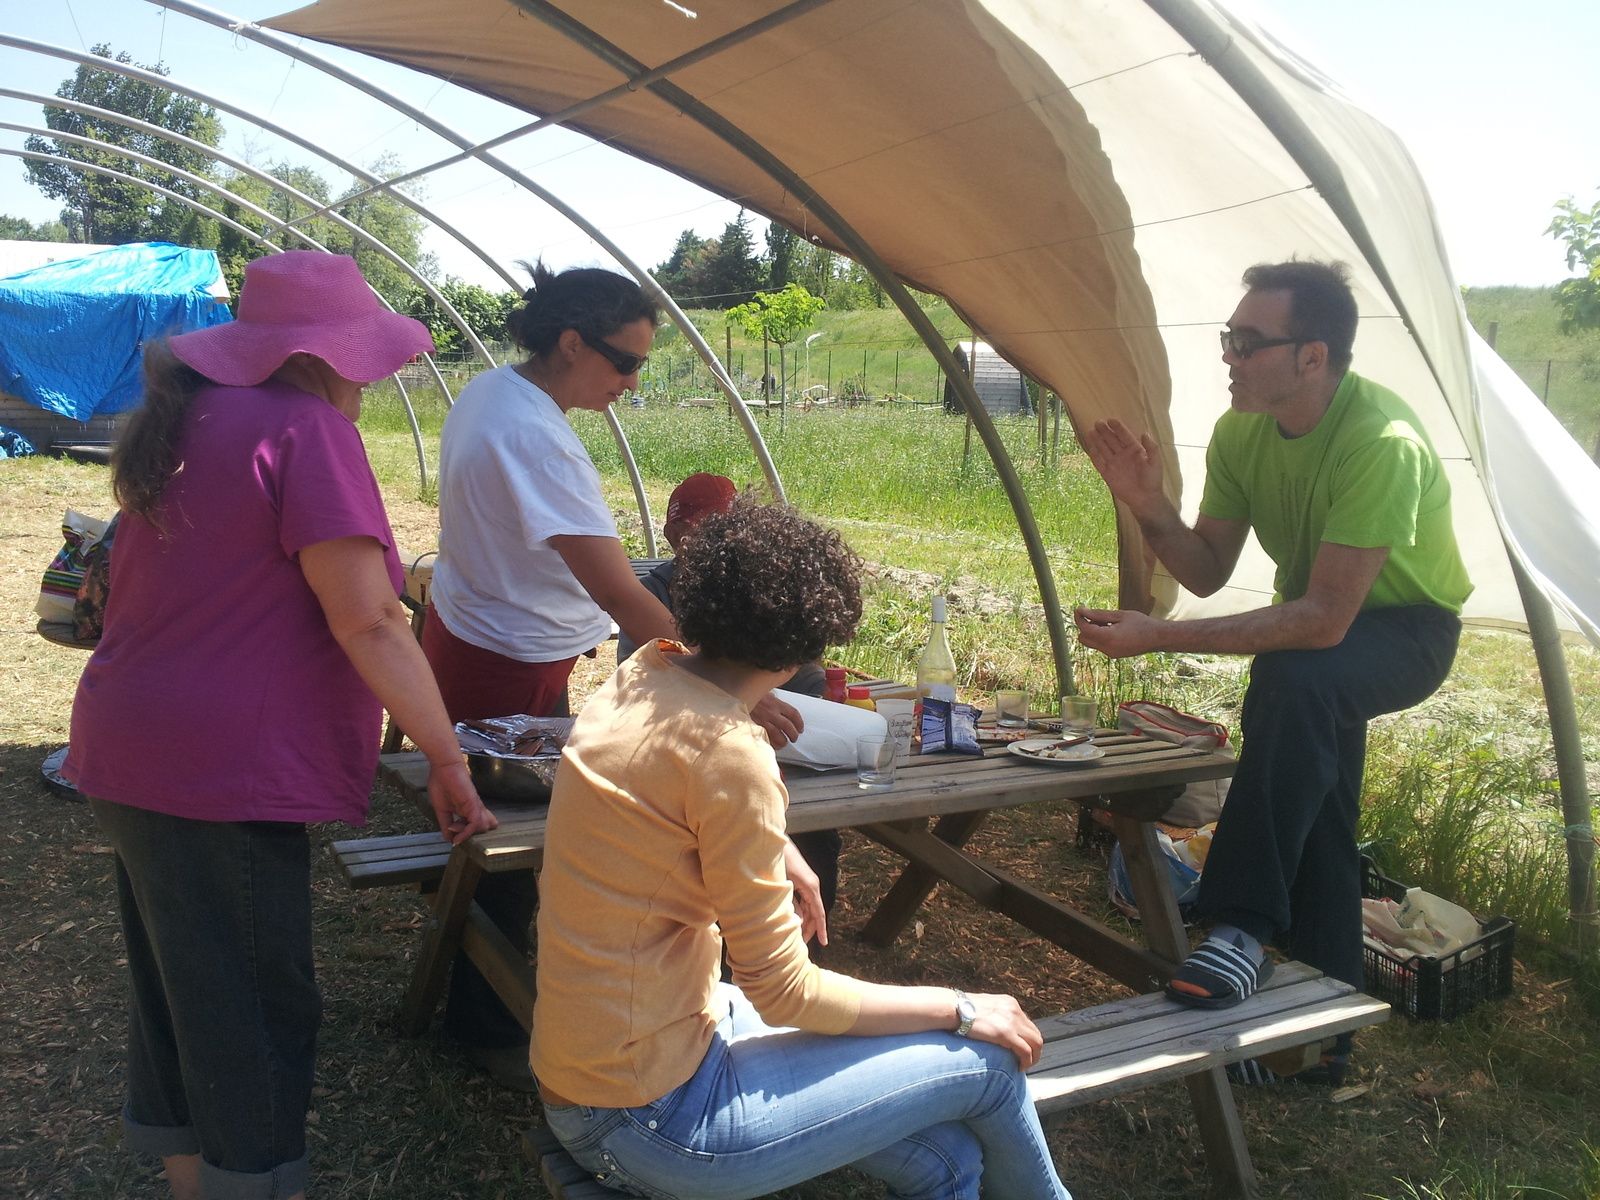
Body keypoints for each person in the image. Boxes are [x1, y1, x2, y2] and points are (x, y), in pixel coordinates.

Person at [64, 251, 497, 1200]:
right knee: (255, 1006)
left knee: (181, 990)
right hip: (219, 770)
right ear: (322, 356)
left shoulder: (186, 422)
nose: (368, 380)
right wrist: (448, 754)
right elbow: (373, 618)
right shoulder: (304, 428)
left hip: (128, 748)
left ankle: (196, 1183)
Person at [533, 497, 1073, 1200]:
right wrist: (961, 1005)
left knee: (946, 1163)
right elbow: (785, 993)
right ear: (803, 650)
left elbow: (663, 803)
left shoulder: (645, 672)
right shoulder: (729, 754)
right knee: (988, 1067)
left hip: (596, 1071)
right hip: (651, 1118)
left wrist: (774, 844)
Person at [1075, 259, 1471, 1082]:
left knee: (1295, 681)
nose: (1230, 354)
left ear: (1313, 357)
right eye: (1230, 336)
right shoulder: (1241, 430)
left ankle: (1241, 927)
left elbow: (1326, 620)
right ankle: (1322, 1041)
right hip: (1328, 639)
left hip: (1407, 630)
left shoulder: (1381, 445)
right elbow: (1207, 567)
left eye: (1250, 342)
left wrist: (1157, 640)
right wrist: (1146, 503)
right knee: (1321, 809)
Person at [421, 264, 802, 1087]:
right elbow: (621, 590)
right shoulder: (533, 438)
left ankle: (471, 1002)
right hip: (505, 657)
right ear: (569, 343)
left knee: (498, 840)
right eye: (624, 363)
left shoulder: (494, 392)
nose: (633, 381)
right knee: (507, 855)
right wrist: (723, 683)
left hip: (480, 629)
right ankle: (484, 1028)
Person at [617, 472, 840, 921]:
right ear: (675, 537)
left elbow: (808, 676)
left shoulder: (759, 586)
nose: (725, 545)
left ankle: (808, 921)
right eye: (710, 532)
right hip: (696, 758)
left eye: (733, 530)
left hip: (774, 752)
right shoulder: (656, 596)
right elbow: (646, 679)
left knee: (818, 826)